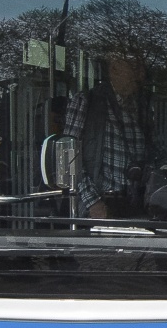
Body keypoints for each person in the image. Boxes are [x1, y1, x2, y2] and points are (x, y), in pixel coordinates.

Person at [63, 52, 155, 218]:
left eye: (142, 68)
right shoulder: (85, 101)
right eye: (135, 67)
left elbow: (152, 151)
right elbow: (68, 158)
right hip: (101, 207)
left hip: (137, 204)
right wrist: (93, 203)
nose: (141, 75)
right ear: (114, 69)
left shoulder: (142, 106)